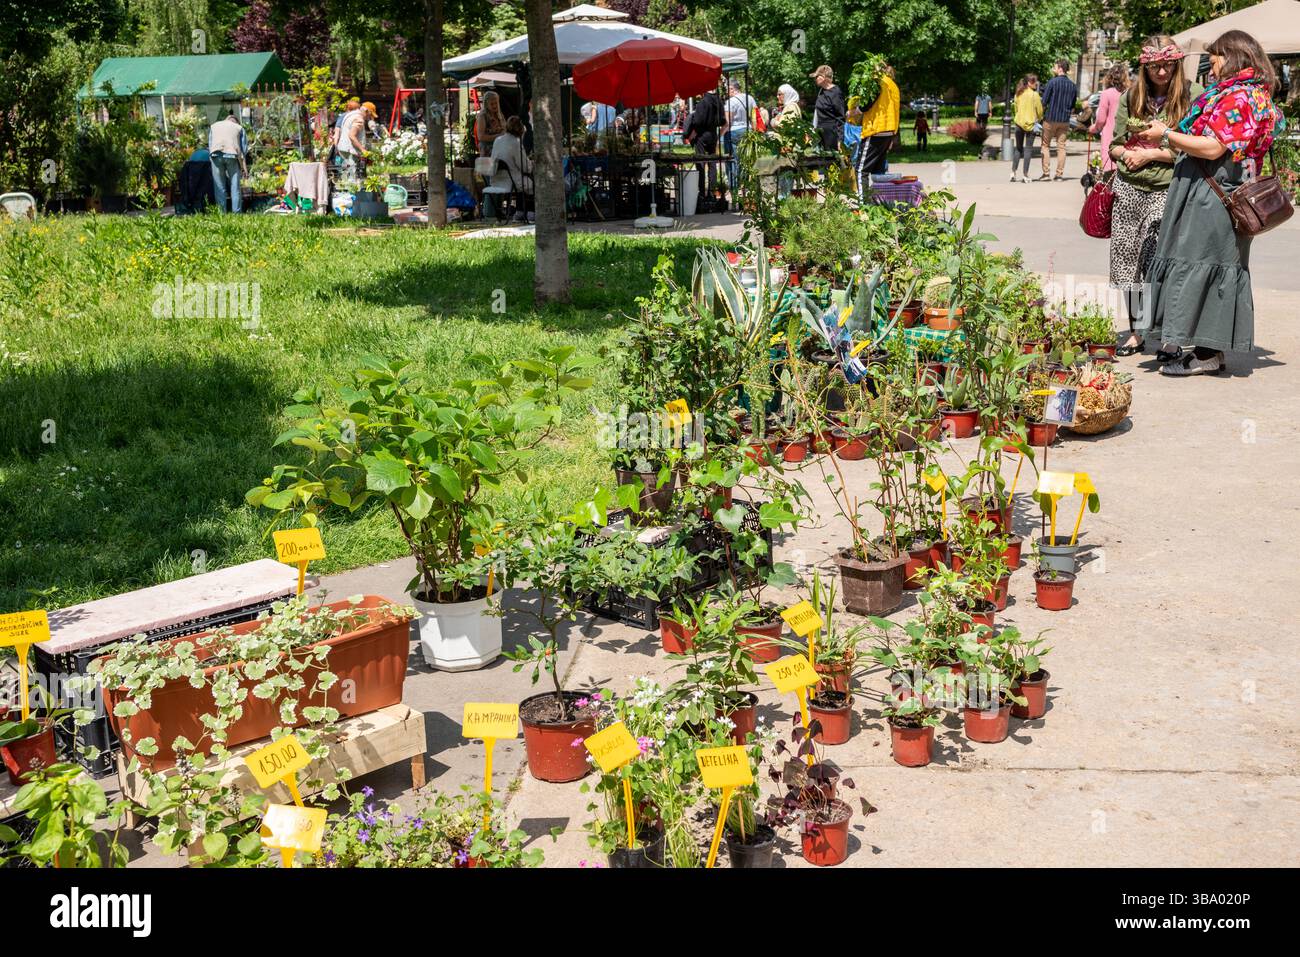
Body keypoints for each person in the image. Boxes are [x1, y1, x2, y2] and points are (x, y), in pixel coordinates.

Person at [1135, 29, 1283, 376]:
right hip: (1212, 189)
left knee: (1202, 264)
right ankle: (1200, 346)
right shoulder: (1244, 93)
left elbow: (1215, 147)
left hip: (1213, 195)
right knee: (1205, 263)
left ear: (1232, 57)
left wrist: (1166, 135)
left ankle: (1207, 353)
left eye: (1214, 58)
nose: (1210, 65)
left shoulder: (1240, 98)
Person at [1104, 38, 1200, 357]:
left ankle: (1170, 337)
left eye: (1167, 64)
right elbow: (1114, 144)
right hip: (1129, 188)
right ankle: (1137, 332)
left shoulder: (1191, 94)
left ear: (1176, 63)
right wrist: (1128, 154)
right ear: (1144, 66)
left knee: (1159, 262)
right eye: (1154, 65)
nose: (1161, 71)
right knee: (1126, 259)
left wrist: (1153, 155)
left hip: (1167, 188)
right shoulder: (1132, 96)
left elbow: (1198, 145)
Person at [855, 63, 900, 197]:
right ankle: (880, 204)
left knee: (860, 171)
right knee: (878, 172)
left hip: (875, 129)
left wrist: (855, 111)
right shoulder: (892, 85)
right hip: (889, 130)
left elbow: (867, 104)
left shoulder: (877, 83)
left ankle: (864, 207)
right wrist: (894, 134)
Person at [484, 115, 533, 221]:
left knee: (521, 178)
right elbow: (526, 167)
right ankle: (530, 212)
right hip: (510, 182)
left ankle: (520, 211)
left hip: (496, 180)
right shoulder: (516, 143)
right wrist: (531, 163)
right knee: (531, 181)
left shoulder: (498, 140)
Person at [1038, 59, 1078, 180]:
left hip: (1050, 119)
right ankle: (1059, 175)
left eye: (1055, 66)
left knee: (1045, 145)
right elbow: (1072, 106)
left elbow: (1044, 102)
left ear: (1060, 68)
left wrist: (1040, 115)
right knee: (1061, 147)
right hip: (1064, 121)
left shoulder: (1052, 82)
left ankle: (1046, 173)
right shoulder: (1072, 85)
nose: (1053, 68)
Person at [1090, 65, 1129, 172]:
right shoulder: (1129, 93)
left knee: (1109, 172)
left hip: (1110, 137)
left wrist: (1094, 128)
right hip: (1127, 136)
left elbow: (1101, 120)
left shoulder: (1106, 94)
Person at [683, 89, 723, 195]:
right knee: (712, 163)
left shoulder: (703, 102)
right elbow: (722, 120)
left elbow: (697, 122)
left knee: (700, 162)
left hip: (701, 135)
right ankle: (713, 191)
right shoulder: (719, 101)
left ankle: (701, 192)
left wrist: (692, 134)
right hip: (713, 134)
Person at [208, 110, 247, 213]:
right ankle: (237, 213)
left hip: (215, 154)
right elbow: (244, 149)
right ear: (236, 122)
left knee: (219, 186)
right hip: (232, 155)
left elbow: (210, 144)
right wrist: (243, 165)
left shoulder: (214, 126)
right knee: (235, 187)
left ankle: (222, 213)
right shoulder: (239, 128)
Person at [724, 79, 757, 194]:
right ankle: (745, 186)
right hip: (747, 131)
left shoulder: (730, 102)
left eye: (728, 89)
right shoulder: (750, 98)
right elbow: (754, 117)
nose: (727, 91)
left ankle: (733, 188)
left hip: (733, 132)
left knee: (732, 160)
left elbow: (728, 122)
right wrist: (754, 131)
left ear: (732, 89)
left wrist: (720, 134)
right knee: (745, 160)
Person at [1010, 74, 1042, 183]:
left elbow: (1016, 108)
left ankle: (1013, 173)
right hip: (1031, 125)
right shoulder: (1035, 95)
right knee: (1028, 150)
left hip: (1018, 124)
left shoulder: (1018, 94)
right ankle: (1025, 175)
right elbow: (1040, 111)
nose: (1036, 83)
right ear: (1029, 82)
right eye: (1034, 81)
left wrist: (1019, 117)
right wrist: (1038, 117)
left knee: (1018, 148)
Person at [809, 65, 846, 150]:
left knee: (832, 161)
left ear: (824, 77)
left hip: (832, 134)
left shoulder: (836, 92)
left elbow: (840, 117)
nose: (815, 79)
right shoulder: (821, 91)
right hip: (821, 134)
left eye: (817, 77)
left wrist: (840, 140)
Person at [336, 99, 368, 179]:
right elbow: (352, 135)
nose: (368, 117)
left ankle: (348, 187)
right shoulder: (358, 118)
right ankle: (352, 190)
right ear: (366, 112)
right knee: (352, 175)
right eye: (369, 115)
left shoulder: (349, 116)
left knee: (347, 173)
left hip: (344, 148)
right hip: (350, 150)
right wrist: (362, 149)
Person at [476, 91, 506, 156]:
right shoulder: (482, 116)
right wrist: (499, 136)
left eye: (496, 103)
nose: (495, 106)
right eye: (492, 104)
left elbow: (504, 128)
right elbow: (481, 137)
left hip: (500, 149)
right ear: (486, 104)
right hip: (488, 151)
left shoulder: (499, 114)